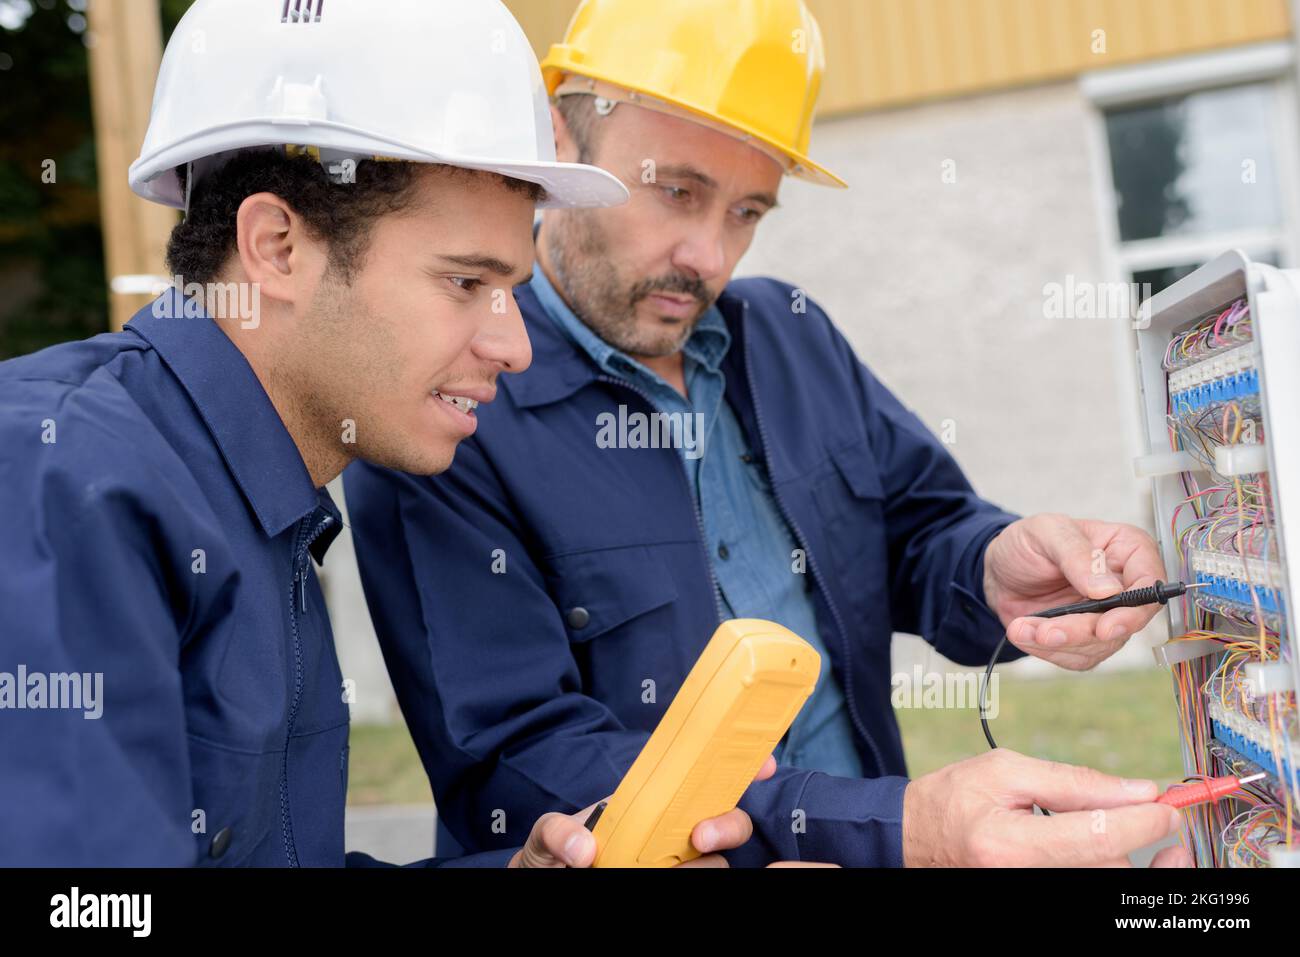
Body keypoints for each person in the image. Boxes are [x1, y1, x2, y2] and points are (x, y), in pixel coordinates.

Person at [345, 0, 1189, 867]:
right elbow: (523, 765)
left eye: (748, 211)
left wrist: (992, 566)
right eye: (677, 190)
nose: (709, 256)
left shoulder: (790, 334)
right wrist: (884, 828)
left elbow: (920, 532)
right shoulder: (449, 402)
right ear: (563, 138)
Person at [0, 0, 764, 868]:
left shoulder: (255, 502)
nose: (514, 347)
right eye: (467, 281)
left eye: (510, 286)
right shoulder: (57, 483)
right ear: (277, 247)